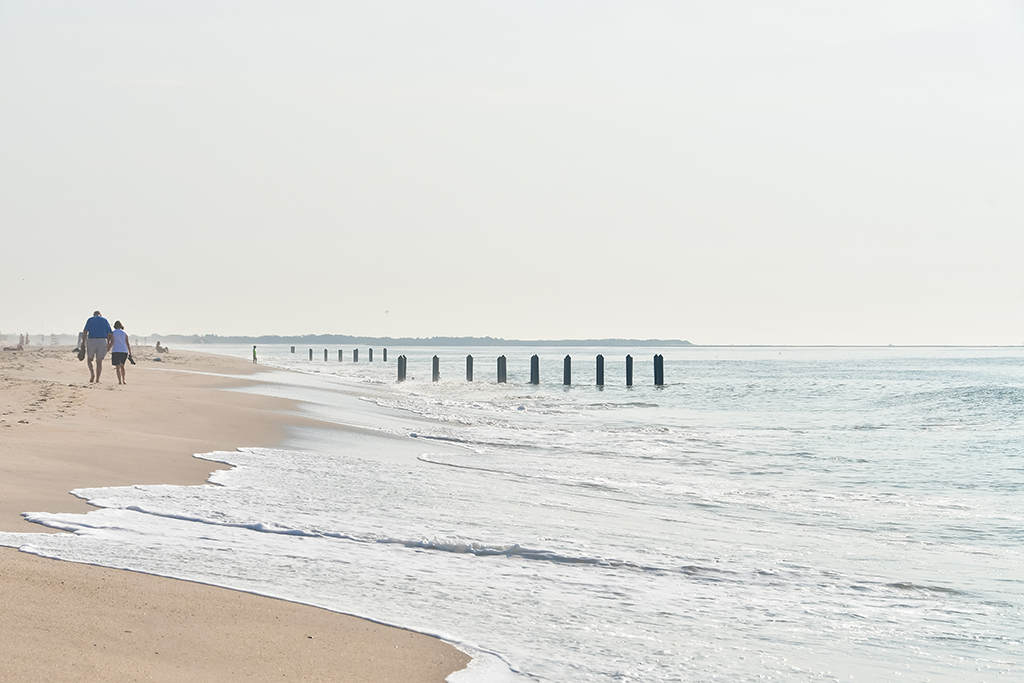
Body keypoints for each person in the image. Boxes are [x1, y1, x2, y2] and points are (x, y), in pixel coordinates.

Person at [82, 310, 113, 383]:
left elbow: (85, 331)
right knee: (99, 361)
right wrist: (108, 343)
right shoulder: (105, 320)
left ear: (94, 315)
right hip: (102, 340)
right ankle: (97, 379)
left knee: (90, 359)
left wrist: (83, 342)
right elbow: (109, 333)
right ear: (100, 314)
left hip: (92, 340)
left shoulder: (90, 320)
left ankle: (92, 374)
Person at [110, 320, 133, 385]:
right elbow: (127, 343)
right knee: (122, 366)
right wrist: (130, 352)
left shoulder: (113, 333)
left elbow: (111, 342)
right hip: (124, 350)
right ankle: (124, 379)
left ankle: (119, 381)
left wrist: (108, 348)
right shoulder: (124, 333)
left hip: (116, 350)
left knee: (117, 367)